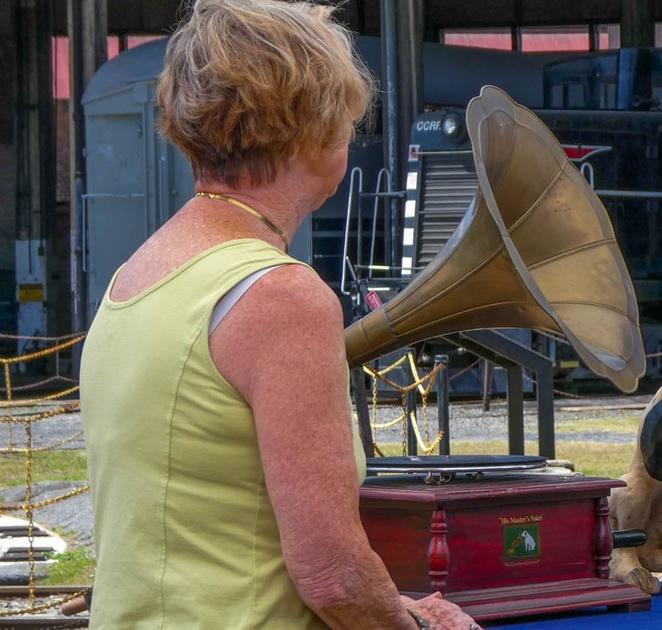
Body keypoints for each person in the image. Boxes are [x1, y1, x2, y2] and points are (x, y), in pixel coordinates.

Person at [79, 1, 474, 628]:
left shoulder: (138, 272)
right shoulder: (282, 296)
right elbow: (331, 575)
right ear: (315, 129)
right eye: (349, 120)